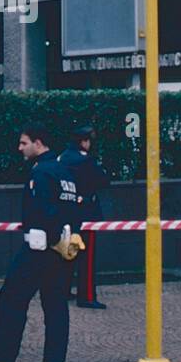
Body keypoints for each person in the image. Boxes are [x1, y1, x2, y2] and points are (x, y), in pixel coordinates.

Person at [0, 124, 82, 362]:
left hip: (39, 249)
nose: (19, 148)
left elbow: (42, 211)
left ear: (39, 143)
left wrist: (45, 238)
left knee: (11, 300)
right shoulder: (65, 172)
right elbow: (73, 211)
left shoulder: (41, 172)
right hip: (62, 250)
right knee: (56, 306)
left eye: (23, 143)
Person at [59, 125, 111, 310]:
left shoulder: (62, 157)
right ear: (84, 141)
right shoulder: (86, 160)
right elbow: (103, 180)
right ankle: (87, 295)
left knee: (67, 252)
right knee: (87, 257)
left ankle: (63, 290)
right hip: (86, 212)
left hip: (66, 211)